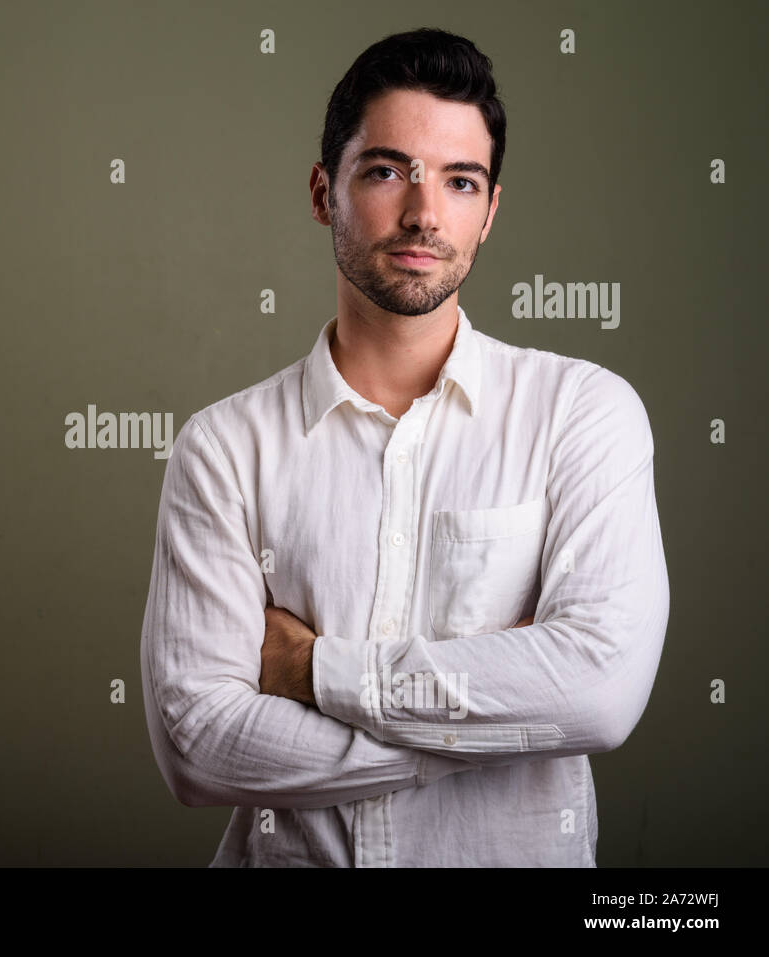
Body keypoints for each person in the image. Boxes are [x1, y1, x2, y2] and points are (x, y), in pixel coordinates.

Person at [138, 27, 668, 866]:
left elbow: (598, 693)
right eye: (388, 171)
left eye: (460, 181)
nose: (424, 213)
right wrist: (499, 720)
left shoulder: (583, 414)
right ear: (324, 193)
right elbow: (198, 745)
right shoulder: (224, 448)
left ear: (489, 212)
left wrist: (316, 672)